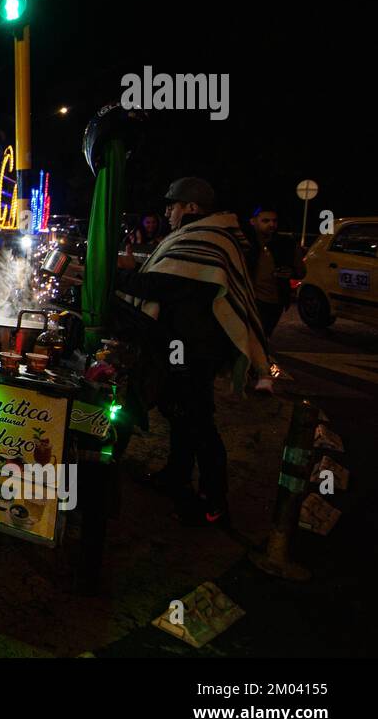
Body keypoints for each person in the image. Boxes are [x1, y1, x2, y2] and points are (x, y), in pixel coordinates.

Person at [115, 176, 268, 527]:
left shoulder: (206, 240)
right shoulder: (205, 237)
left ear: (191, 208)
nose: (167, 212)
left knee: (196, 419)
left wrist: (119, 275)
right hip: (183, 344)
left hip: (191, 348)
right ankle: (176, 475)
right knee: (178, 413)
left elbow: (161, 286)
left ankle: (214, 502)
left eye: (172, 205)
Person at [244, 205, 304, 338]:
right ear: (253, 221)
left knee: (263, 336)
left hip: (275, 300)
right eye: (265, 221)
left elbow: (301, 272)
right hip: (250, 299)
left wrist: (291, 272)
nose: (271, 224)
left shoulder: (287, 244)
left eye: (274, 221)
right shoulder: (244, 243)